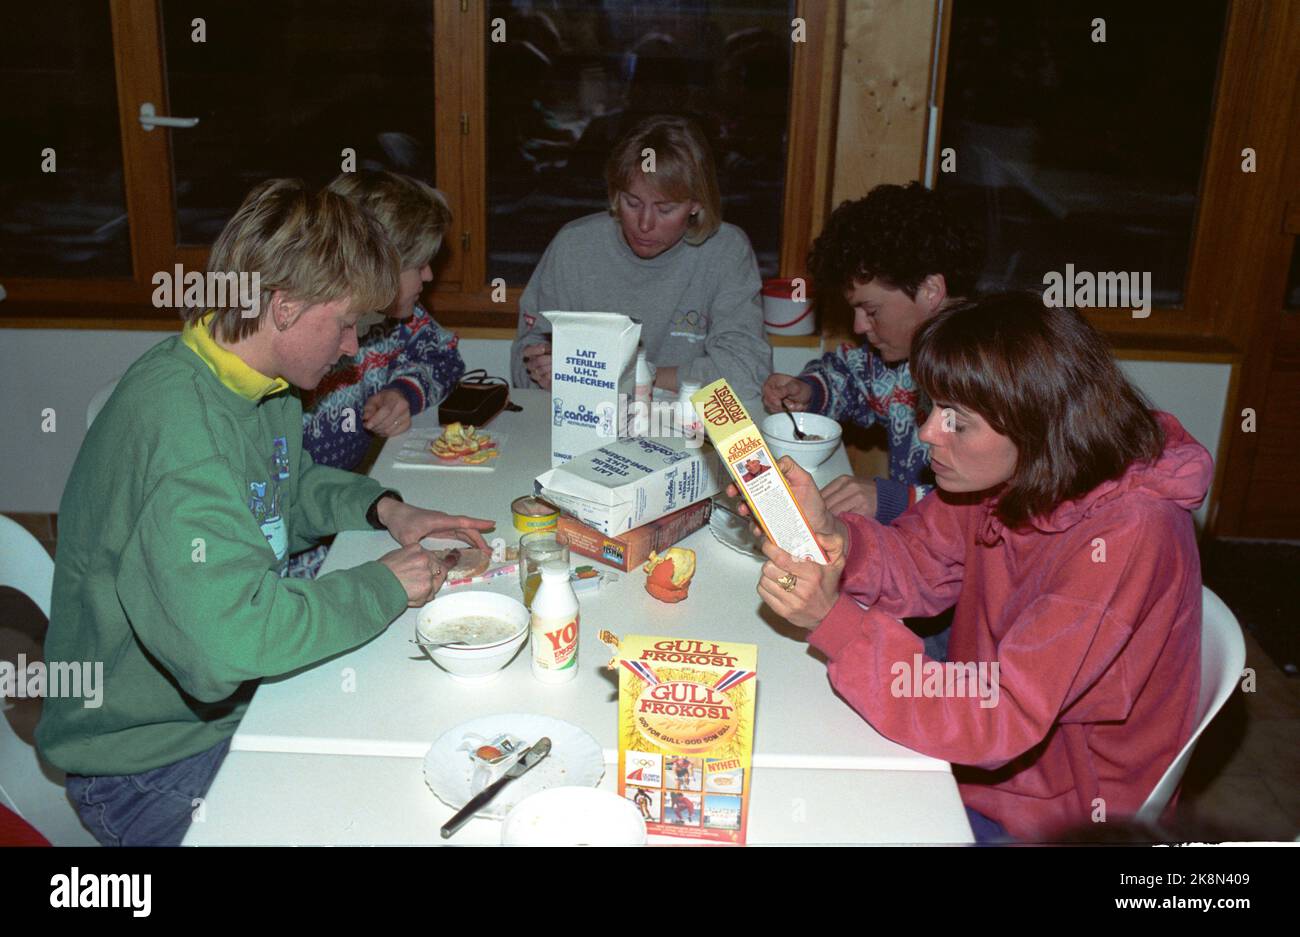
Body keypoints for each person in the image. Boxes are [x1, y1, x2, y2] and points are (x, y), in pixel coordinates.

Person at [36, 179, 494, 847]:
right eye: (342, 325)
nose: (348, 347)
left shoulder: (259, 382)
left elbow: (290, 486)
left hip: (222, 712)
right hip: (143, 766)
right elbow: (228, 644)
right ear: (284, 307)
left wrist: (386, 508)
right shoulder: (181, 429)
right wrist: (383, 583)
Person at [746, 294, 1212, 842]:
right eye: (932, 409)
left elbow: (1001, 714)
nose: (926, 434)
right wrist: (833, 536)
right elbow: (920, 564)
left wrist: (838, 623)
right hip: (989, 752)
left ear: (1035, 424)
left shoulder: (1129, 535)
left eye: (956, 423)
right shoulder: (1019, 469)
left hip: (1059, 812)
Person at [510, 114, 772, 411]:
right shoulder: (574, 246)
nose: (644, 224)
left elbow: (746, 374)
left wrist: (629, 377)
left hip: (685, 427)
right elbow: (524, 365)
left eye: (665, 208)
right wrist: (543, 370)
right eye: (632, 203)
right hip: (587, 420)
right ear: (614, 194)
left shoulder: (726, 251)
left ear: (697, 204)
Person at [761, 182, 983, 524]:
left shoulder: (992, 376)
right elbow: (849, 377)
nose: (860, 326)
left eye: (871, 310)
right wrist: (810, 391)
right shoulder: (899, 363)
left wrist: (900, 500)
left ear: (930, 290)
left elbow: (998, 512)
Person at [291, 171, 467, 578]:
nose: (428, 276)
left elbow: (445, 356)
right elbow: (286, 507)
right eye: (419, 264)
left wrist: (404, 392)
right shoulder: (304, 350)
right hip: (305, 547)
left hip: (357, 508)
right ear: (376, 266)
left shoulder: (393, 321)